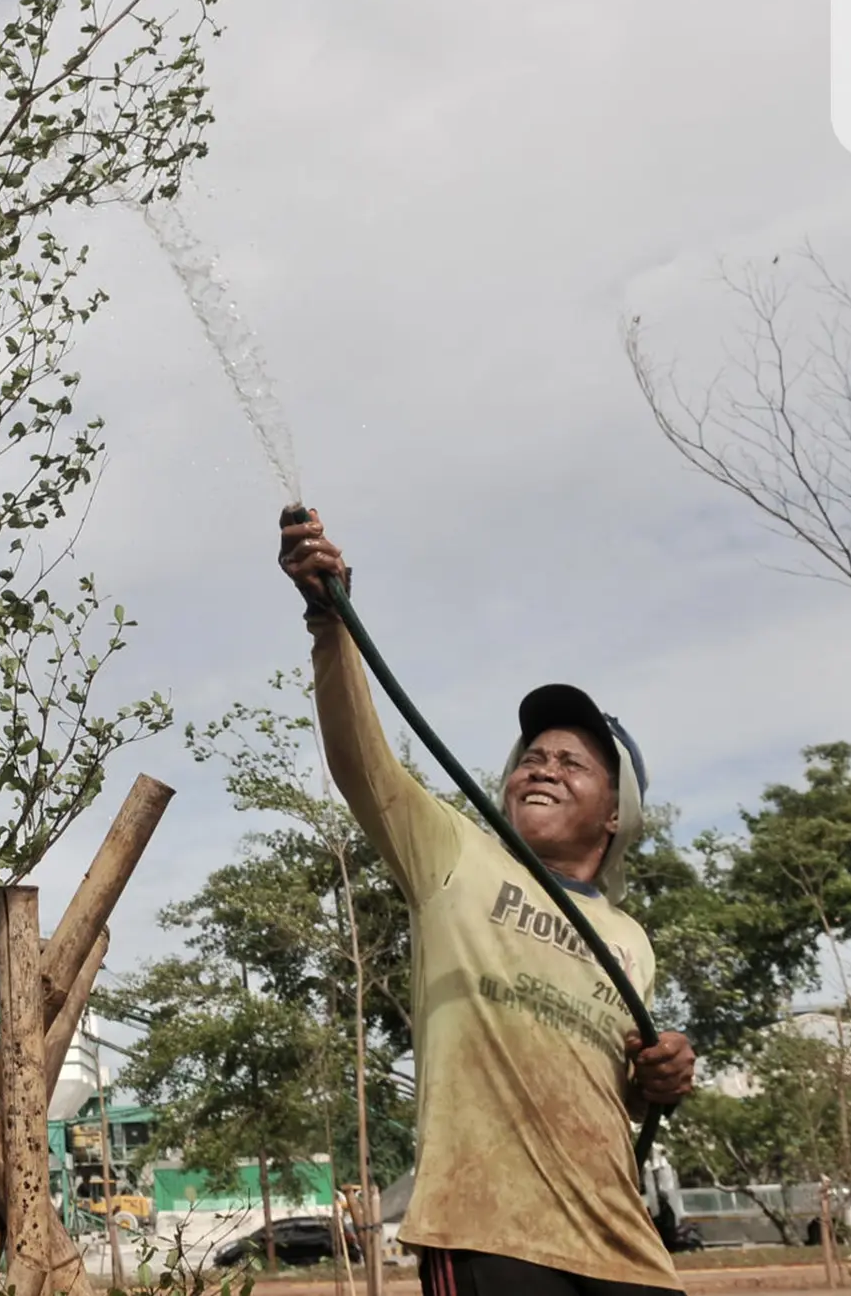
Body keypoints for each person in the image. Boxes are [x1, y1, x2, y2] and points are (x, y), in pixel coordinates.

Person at [278, 509, 698, 1296]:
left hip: (620, 1239)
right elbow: (361, 762)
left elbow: (621, 1087)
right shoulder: (454, 855)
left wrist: (660, 1077)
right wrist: (330, 623)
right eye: (532, 757)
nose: (543, 768)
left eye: (573, 764)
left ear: (616, 815)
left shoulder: (631, 939)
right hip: (487, 1223)